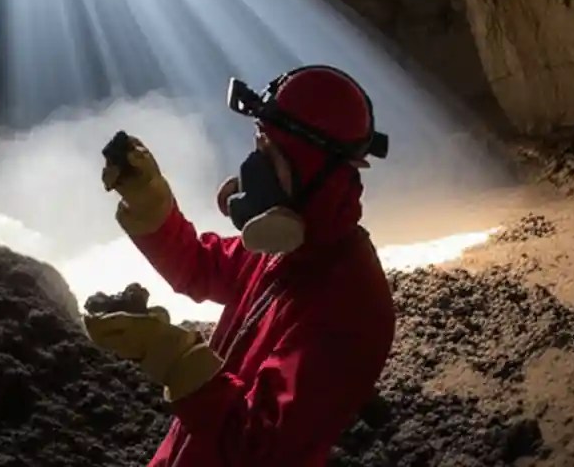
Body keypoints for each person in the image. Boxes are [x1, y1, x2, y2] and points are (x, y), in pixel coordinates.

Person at [84, 65, 397, 467]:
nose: (253, 168)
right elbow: (200, 266)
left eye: (269, 153)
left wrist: (178, 360)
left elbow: (256, 450)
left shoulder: (351, 307)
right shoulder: (286, 251)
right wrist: (150, 204)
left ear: (315, 168)